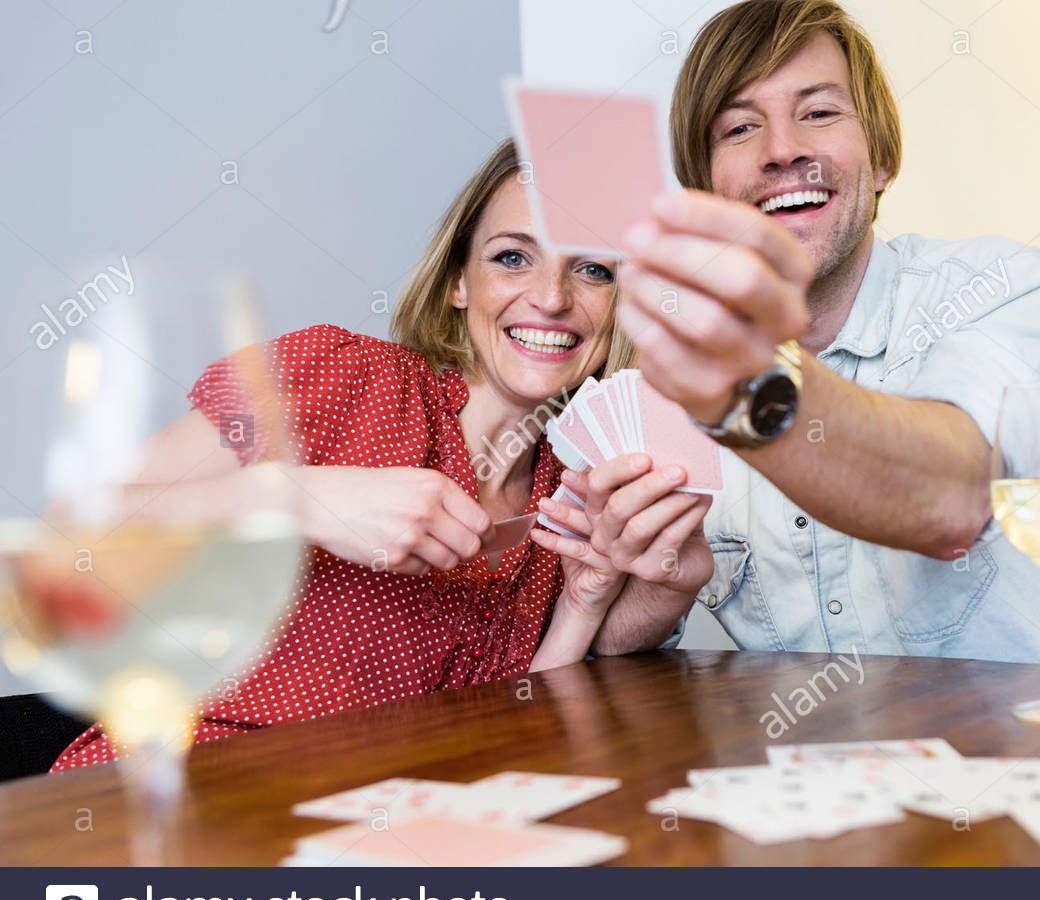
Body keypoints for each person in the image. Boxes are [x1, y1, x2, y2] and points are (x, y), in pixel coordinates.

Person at [51, 140, 713, 771]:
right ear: (459, 281)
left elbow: (522, 726)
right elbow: (72, 534)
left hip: (378, 839)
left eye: (593, 269)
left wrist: (585, 603)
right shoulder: (344, 377)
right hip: (184, 800)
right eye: (513, 257)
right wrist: (300, 497)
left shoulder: (570, 494)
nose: (551, 297)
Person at [567, 0, 1040, 664]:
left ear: (880, 161)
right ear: (704, 187)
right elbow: (617, 656)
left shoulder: (997, 284)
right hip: (807, 762)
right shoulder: (660, 392)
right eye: (739, 127)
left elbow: (950, 501)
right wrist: (661, 592)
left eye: (819, 113)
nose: (783, 150)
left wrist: (747, 385)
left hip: (1028, 758)